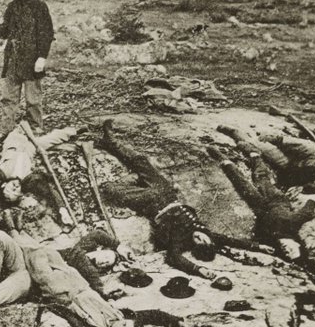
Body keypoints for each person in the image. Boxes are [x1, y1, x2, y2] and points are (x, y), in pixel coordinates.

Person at [95, 120, 254, 283]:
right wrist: (258, 247)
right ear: (210, 240)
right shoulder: (207, 232)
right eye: (203, 239)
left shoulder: (181, 239)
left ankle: (134, 179)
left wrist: (199, 270)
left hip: (152, 203)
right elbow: (233, 241)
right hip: (167, 193)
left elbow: (174, 257)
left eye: (196, 241)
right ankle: (111, 141)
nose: (197, 237)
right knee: (141, 161)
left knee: (109, 189)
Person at [0, 0, 54, 138]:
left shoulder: (39, 6)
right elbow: (6, 31)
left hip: (32, 59)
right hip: (13, 59)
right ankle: (5, 132)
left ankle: (36, 130)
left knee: (33, 99)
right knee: (8, 98)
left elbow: (46, 34)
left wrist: (41, 58)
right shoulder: (12, 7)